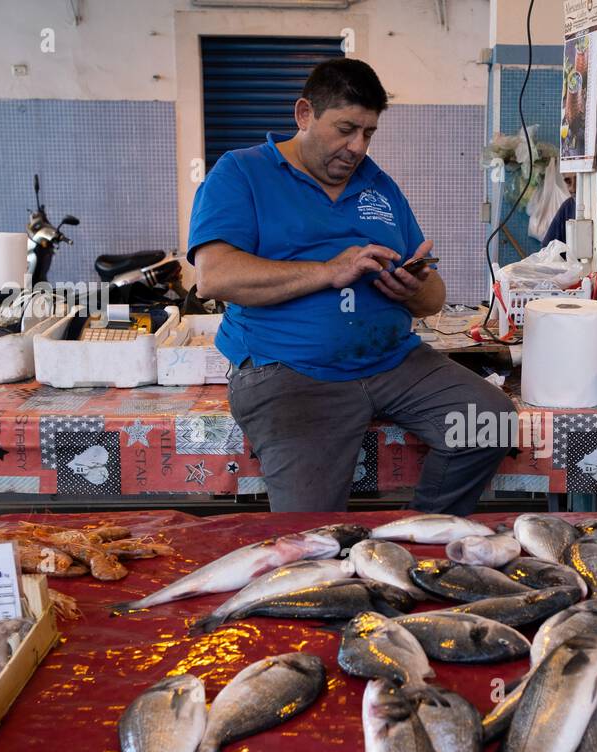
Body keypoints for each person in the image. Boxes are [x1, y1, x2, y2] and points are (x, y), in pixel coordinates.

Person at [188, 57, 514, 514]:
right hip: (289, 371)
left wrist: (412, 288)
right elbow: (215, 276)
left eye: (368, 133)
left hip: (393, 361)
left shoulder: (379, 186)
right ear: (305, 114)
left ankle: (418, 542)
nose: (357, 146)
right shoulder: (241, 173)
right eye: (345, 129)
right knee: (309, 532)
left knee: (490, 422)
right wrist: (328, 271)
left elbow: (433, 297)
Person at [541, 174, 577, 246]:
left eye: (578, 181)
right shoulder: (568, 206)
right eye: (568, 182)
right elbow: (548, 248)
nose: (572, 189)